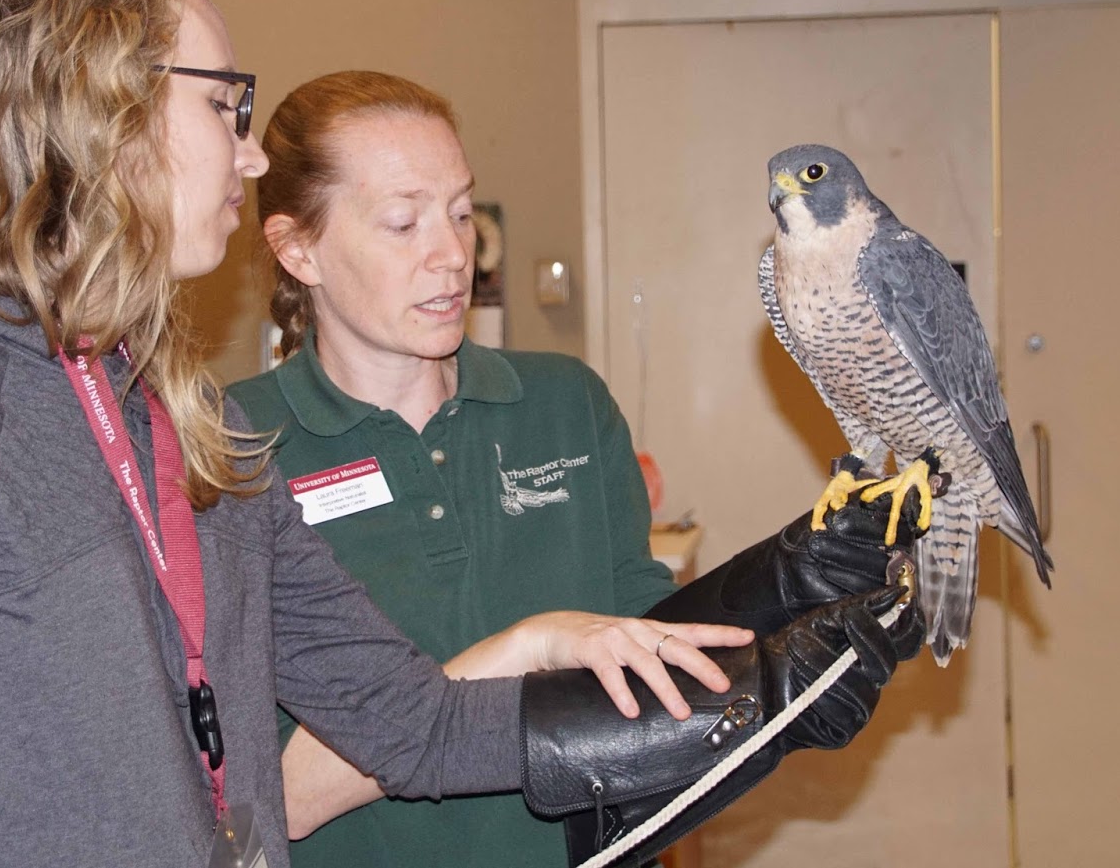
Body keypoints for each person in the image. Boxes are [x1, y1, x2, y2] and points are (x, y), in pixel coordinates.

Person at [0, 0, 917, 868]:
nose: (248, 152)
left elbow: (416, 723)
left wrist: (758, 699)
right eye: (222, 106)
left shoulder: (170, 420)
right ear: (101, 102)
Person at [230, 70, 928, 867]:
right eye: (402, 222)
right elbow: (266, 801)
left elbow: (640, 664)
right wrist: (529, 646)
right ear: (298, 249)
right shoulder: (231, 448)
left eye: (461, 212)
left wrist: (779, 603)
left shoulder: (564, 405)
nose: (452, 253)